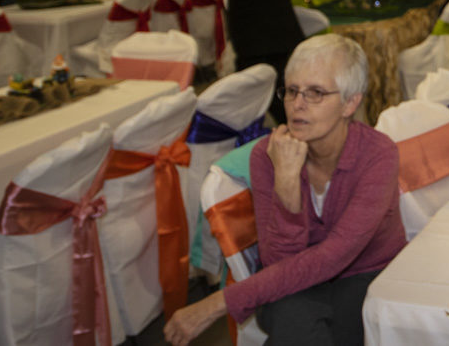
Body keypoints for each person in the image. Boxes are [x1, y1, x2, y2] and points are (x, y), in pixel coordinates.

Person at [164, 34, 405, 345]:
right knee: (293, 317)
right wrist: (287, 182)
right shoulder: (268, 155)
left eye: (316, 93)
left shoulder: (378, 155)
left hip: (365, 272)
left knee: (337, 324)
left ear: (350, 103)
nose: (297, 104)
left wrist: (218, 302)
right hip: (292, 278)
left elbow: (333, 257)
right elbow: (278, 262)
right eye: (292, 91)